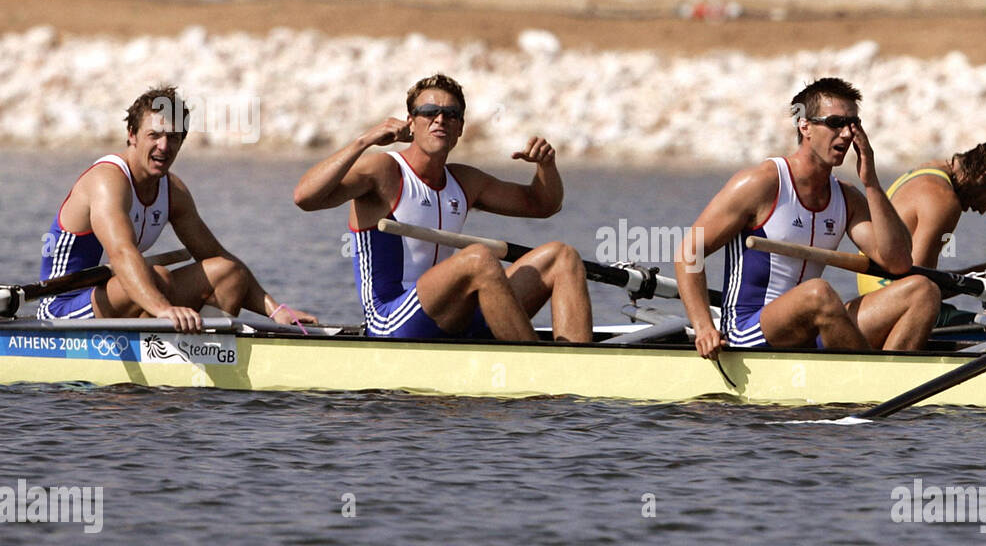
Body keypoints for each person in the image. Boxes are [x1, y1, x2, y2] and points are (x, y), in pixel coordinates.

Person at [293, 73, 592, 342]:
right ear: (411, 122)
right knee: (477, 258)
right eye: (429, 112)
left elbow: (543, 204)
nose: (440, 120)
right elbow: (305, 197)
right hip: (391, 321)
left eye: (450, 114)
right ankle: (539, 368)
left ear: (460, 128)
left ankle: (580, 366)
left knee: (562, 256)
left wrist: (546, 166)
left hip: (451, 314)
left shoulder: (465, 181)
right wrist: (364, 141)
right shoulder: (383, 170)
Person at [674, 77, 940, 359]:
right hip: (749, 330)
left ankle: (891, 381)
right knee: (818, 293)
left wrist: (871, 182)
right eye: (836, 122)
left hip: (813, 321)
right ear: (805, 126)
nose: (848, 134)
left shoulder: (847, 198)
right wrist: (703, 328)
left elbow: (898, 262)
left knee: (923, 291)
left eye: (854, 124)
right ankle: (871, 381)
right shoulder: (761, 183)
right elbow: (689, 251)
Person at [39, 86, 314, 333]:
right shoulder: (107, 181)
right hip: (63, 307)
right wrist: (163, 309)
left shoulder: (173, 191)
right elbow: (122, 254)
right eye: (154, 135)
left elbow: (215, 255)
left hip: (128, 293)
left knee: (229, 272)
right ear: (132, 135)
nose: (163, 146)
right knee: (158, 276)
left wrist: (275, 311)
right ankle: (160, 343)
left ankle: (204, 355)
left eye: (173, 137)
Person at [856, 139, 986, 325]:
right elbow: (917, 290)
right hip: (892, 312)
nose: (982, 211)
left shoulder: (927, 168)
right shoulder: (943, 200)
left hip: (874, 301)